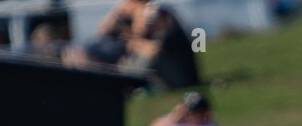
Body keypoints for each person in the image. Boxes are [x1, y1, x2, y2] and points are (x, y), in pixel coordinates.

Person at [63, 0, 200, 89]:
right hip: (171, 77)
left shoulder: (163, 20)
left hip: (179, 80)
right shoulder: (154, 24)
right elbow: (103, 31)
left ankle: (116, 83)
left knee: (139, 58)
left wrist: (133, 39)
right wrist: (119, 13)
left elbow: (152, 49)